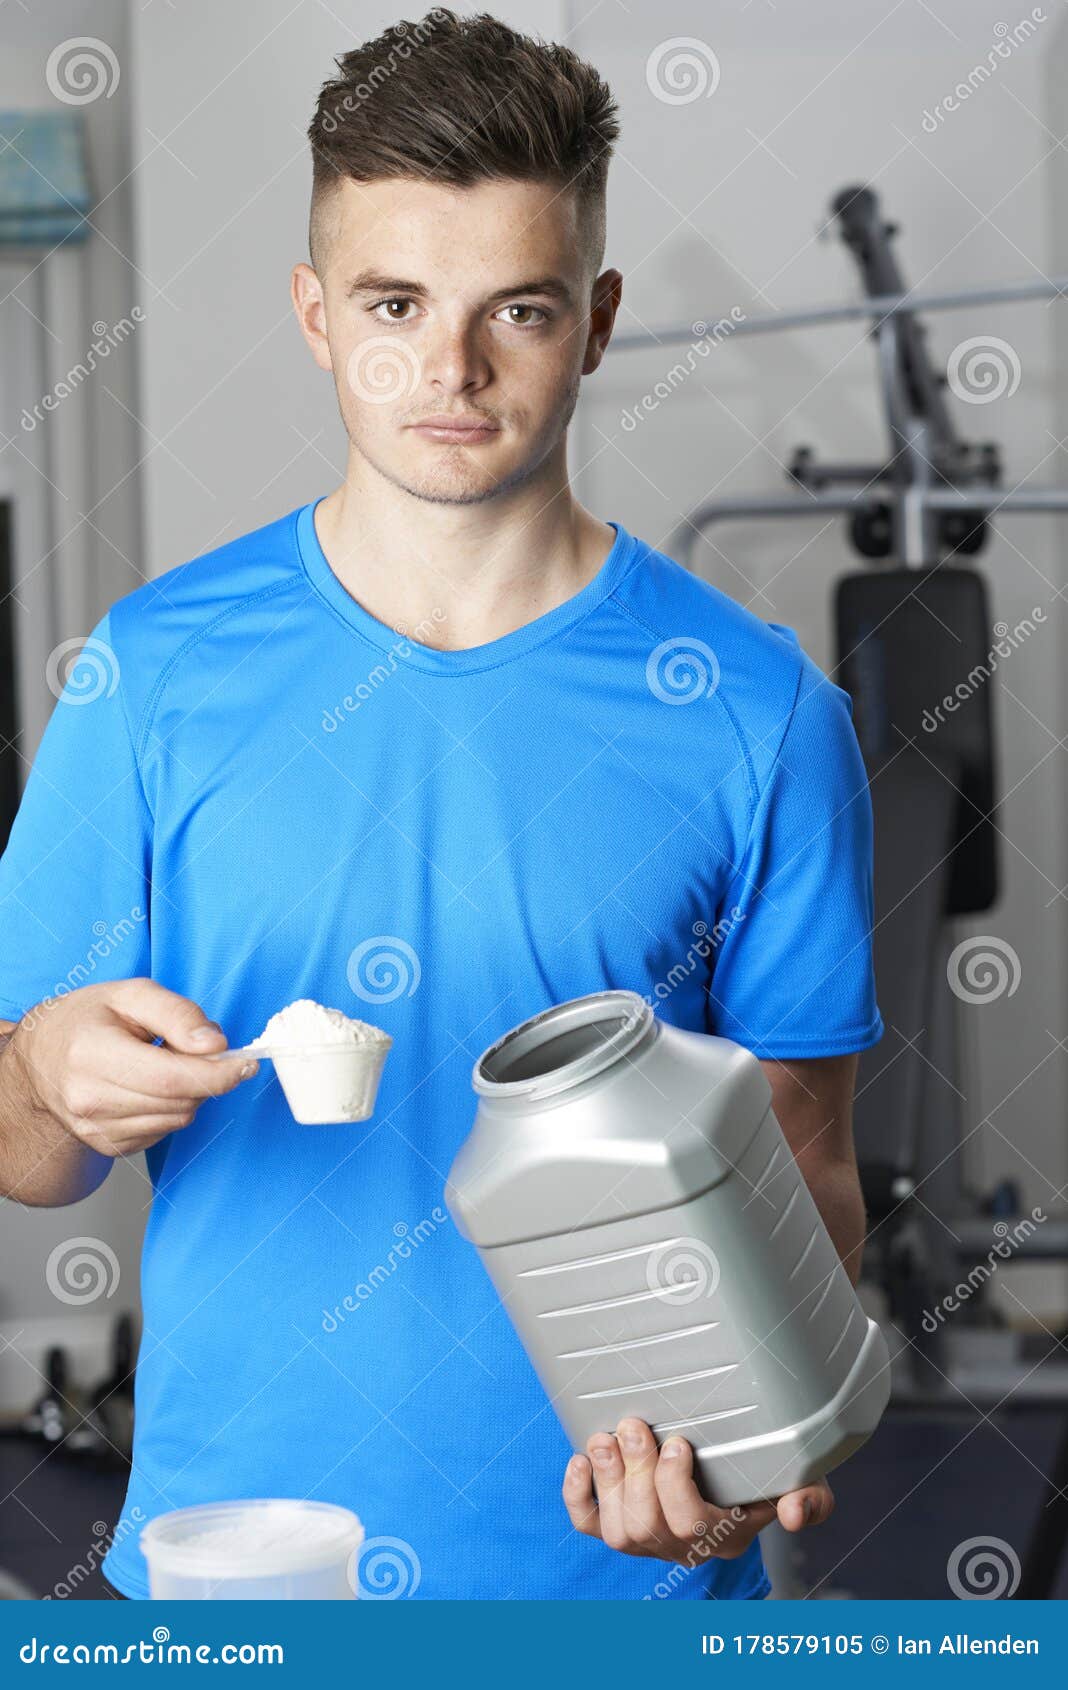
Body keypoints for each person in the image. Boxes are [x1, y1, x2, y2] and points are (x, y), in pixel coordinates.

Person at [0, 10, 882, 1601]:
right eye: (395, 304)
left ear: (596, 322)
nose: (450, 370)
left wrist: (741, 1480)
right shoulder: (150, 674)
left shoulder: (761, 717)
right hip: (240, 1577)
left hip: (620, 1592)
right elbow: (28, 1156)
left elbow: (807, 1181)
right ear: (316, 313)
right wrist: (52, 1077)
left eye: (516, 310)